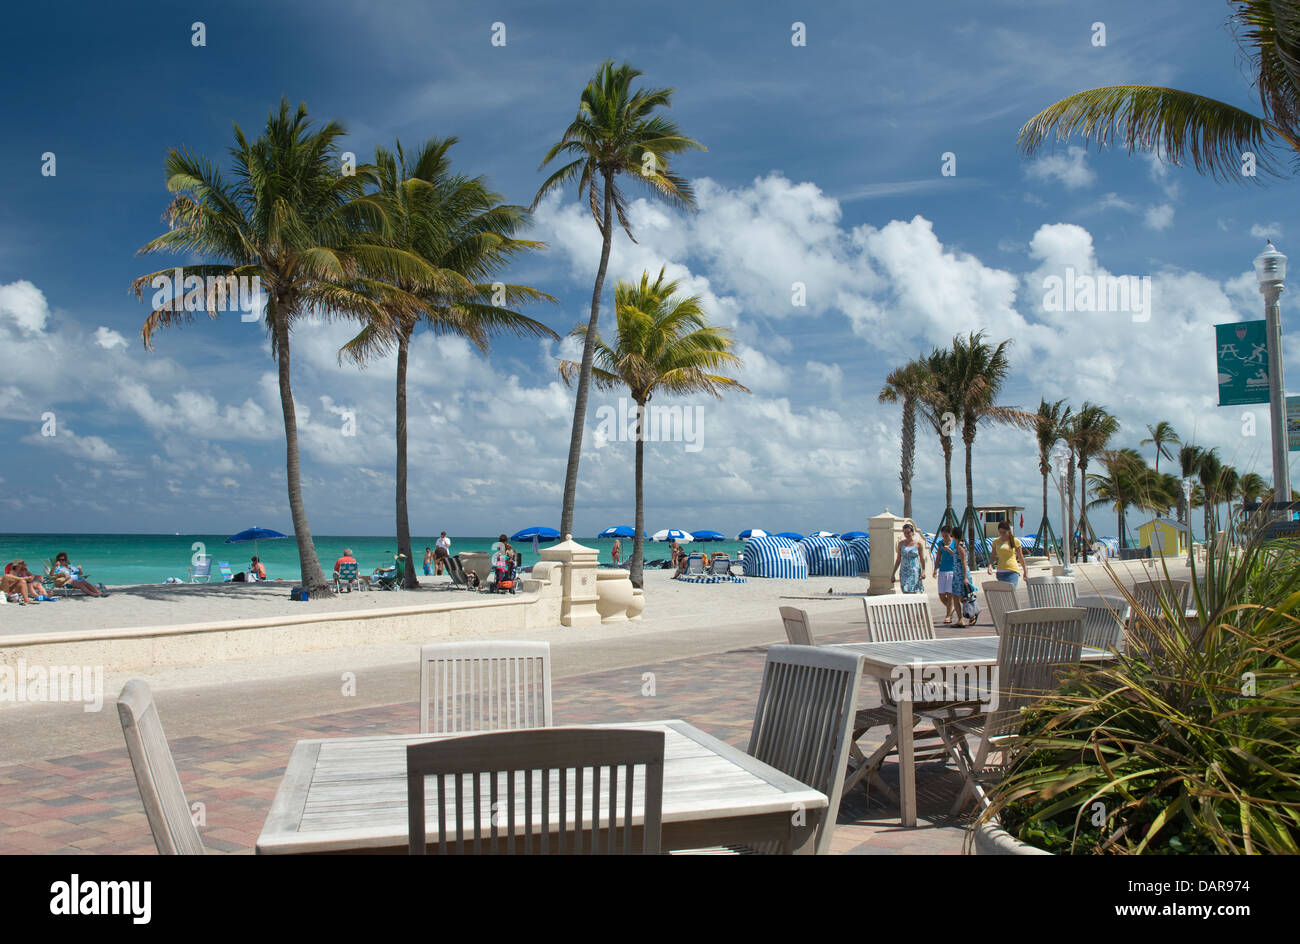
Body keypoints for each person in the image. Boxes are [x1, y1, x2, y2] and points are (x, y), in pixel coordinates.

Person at [890, 524, 928, 594]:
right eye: (905, 533)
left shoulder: (918, 544)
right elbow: (898, 559)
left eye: (908, 533)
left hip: (914, 571)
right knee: (905, 590)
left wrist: (923, 571)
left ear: (912, 532)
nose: (907, 535)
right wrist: (893, 574)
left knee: (913, 591)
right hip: (904, 571)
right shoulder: (901, 544)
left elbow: (922, 558)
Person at [988, 521, 1027, 586]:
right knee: (1003, 594)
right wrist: (990, 565)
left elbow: (1020, 557)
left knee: (1011, 592)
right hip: (1000, 572)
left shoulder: (1015, 541)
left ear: (1008, 531)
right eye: (1000, 532)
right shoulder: (996, 542)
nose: (1002, 534)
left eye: (1004, 532)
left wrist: (1025, 570)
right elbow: (993, 555)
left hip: (1012, 570)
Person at [935, 525, 960, 624]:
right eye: (943, 535)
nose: (944, 537)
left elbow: (957, 555)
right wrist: (935, 568)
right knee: (941, 594)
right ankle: (952, 608)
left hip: (952, 570)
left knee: (950, 594)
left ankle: (948, 616)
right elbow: (938, 557)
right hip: (942, 570)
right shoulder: (940, 543)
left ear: (950, 534)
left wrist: (949, 550)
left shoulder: (955, 543)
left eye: (946, 535)